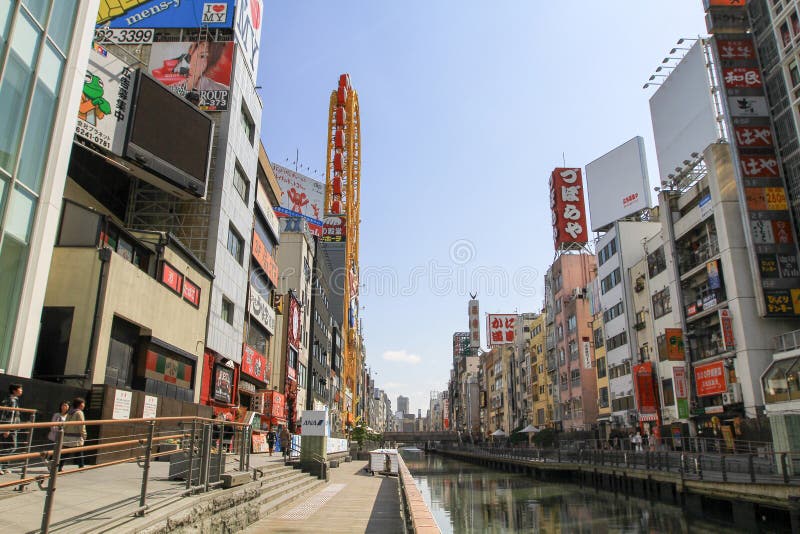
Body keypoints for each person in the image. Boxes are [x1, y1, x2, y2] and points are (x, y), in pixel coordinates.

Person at [0, 384, 23, 475]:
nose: (21, 391)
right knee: (12, 447)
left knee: (6, 447)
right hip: (10, 428)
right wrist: (7, 428)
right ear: (14, 390)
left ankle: (5, 467)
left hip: (12, 428)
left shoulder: (13, 400)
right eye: (20, 389)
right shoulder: (11, 400)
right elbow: (6, 415)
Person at [60, 398, 87, 471]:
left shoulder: (70, 412)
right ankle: (81, 467)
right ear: (80, 404)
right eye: (83, 403)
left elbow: (65, 424)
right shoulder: (79, 413)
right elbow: (82, 425)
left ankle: (59, 467)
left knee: (65, 453)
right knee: (79, 451)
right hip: (76, 436)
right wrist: (84, 435)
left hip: (67, 436)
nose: (84, 405)